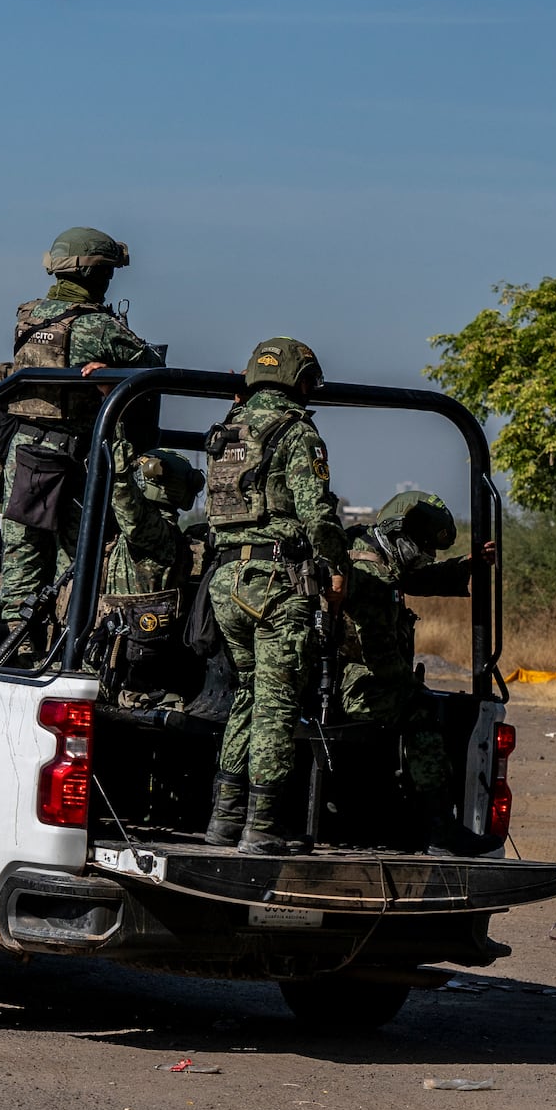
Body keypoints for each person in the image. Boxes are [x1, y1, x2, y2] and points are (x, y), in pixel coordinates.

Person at [201, 337, 349, 855]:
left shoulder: (228, 431)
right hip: (274, 582)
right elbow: (316, 514)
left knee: (246, 693)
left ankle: (223, 821)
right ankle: (262, 828)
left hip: (225, 581)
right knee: (276, 704)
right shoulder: (297, 433)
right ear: (299, 379)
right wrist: (340, 562)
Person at [0, 226, 161, 656]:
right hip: (74, 458)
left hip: (23, 452)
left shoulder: (27, 316)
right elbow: (154, 367)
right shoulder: (101, 328)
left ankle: (19, 643)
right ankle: (70, 648)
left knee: (23, 552)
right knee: (82, 554)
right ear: (97, 274)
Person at [338, 490, 494, 852]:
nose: (425, 557)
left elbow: (414, 578)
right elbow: (380, 657)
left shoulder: (371, 552)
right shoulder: (370, 572)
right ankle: (440, 829)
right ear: (396, 535)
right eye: (420, 548)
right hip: (356, 683)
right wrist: (412, 690)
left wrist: (467, 564)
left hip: (358, 677)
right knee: (422, 716)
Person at [96, 437, 201, 704]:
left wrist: (119, 462)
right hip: (115, 658)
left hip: (131, 671)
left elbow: (130, 513)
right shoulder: (154, 531)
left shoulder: (157, 533)